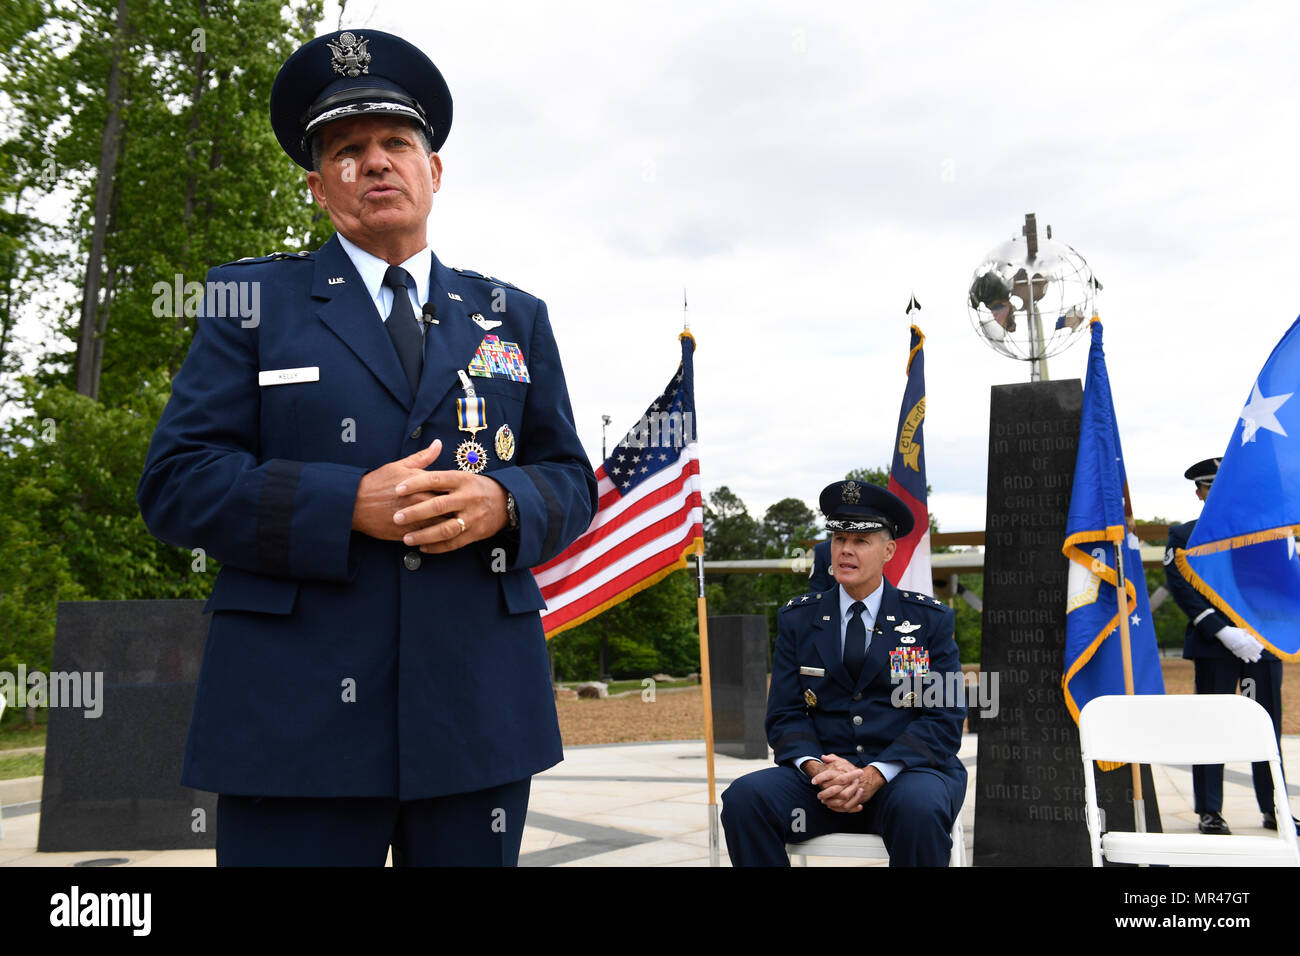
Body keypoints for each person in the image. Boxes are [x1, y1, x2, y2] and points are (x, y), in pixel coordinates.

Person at [136, 29, 597, 865]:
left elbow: (570, 477)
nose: (376, 163)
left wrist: (504, 502)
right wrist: (345, 504)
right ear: (318, 187)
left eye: (396, 143)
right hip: (294, 724)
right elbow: (177, 482)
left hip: (476, 717)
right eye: (347, 151)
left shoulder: (514, 315)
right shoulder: (252, 300)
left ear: (435, 170)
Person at [721, 480, 966, 866]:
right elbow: (784, 715)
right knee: (745, 800)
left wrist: (874, 774)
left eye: (861, 540)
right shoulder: (798, 619)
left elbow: (944, 717)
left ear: (888, 550)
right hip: (822, 786)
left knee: (919, 809)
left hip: (903, 777)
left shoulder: (927, 621)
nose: (846, 550)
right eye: (838, 538)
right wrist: (820, 770)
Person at [1164, 457, 1294, 834]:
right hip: (1215, 645)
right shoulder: (1184, 535)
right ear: (1200, 493)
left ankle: (1274, 808)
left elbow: (1278, 584)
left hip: (1260, 644)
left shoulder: (1266, 532)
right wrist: (1224, 632)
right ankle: (1209, 811)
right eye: (1211, 487)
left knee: (1265, 726)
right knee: (1212, 726)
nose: (1218, 494)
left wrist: (1261, 630)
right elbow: (1184, 590)